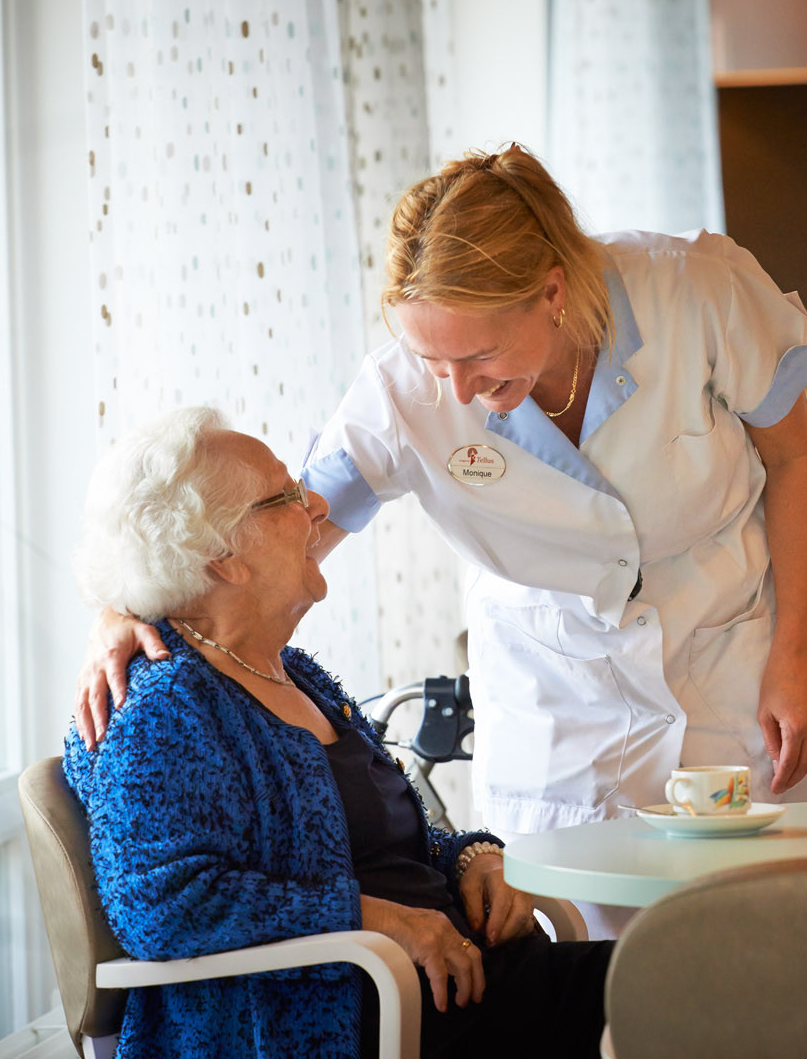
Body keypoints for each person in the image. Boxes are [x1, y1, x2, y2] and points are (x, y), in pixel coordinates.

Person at [75, 145, 807, 865]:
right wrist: (130, 600)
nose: (453, 388)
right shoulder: (397, 396)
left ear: (552, 292)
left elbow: (795, 458)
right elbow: (268, 533)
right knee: (611, 988)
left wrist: (793, 651)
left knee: (788, 949)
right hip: (567, 716)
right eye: (431, 357)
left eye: (479, 354)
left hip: (744, 662)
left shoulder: (699, 290)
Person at [63, 408, 612, 1059]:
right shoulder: (164, 704)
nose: (317, 503)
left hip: (456, 986)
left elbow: (390, 838)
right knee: (690, 981)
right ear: (221, 557)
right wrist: (381, 920)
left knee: (694, 966)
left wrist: (473, 859)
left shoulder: (292, 672)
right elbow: (160, 903)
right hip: (356, 1020)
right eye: (287, 495)